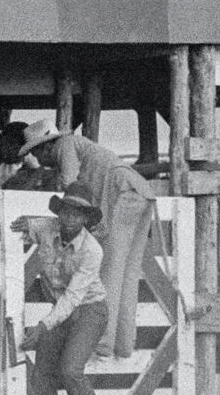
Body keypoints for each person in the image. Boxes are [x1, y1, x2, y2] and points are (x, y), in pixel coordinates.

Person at [19, 116, 157, 359]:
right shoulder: (81, 146)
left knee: (110, 270)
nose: (40, 161)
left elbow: (69, 185)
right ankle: (123, 345)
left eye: (37, 153)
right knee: (128, 272)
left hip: (123, 191)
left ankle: (102, 343)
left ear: (47, 146)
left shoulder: (66, 145)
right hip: (141, 191)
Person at [16, 182, 113, 395]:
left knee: (71, 368)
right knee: (42, 375)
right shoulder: (46, 228)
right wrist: (6, 228)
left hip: (89, 310)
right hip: (60, 311)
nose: (70, 219)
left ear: (85, 220)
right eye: (67, 212)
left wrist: (43, 327)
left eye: (78, 214)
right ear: (60, 213)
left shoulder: (92, 251)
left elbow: (73, 298)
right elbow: (8, 230)